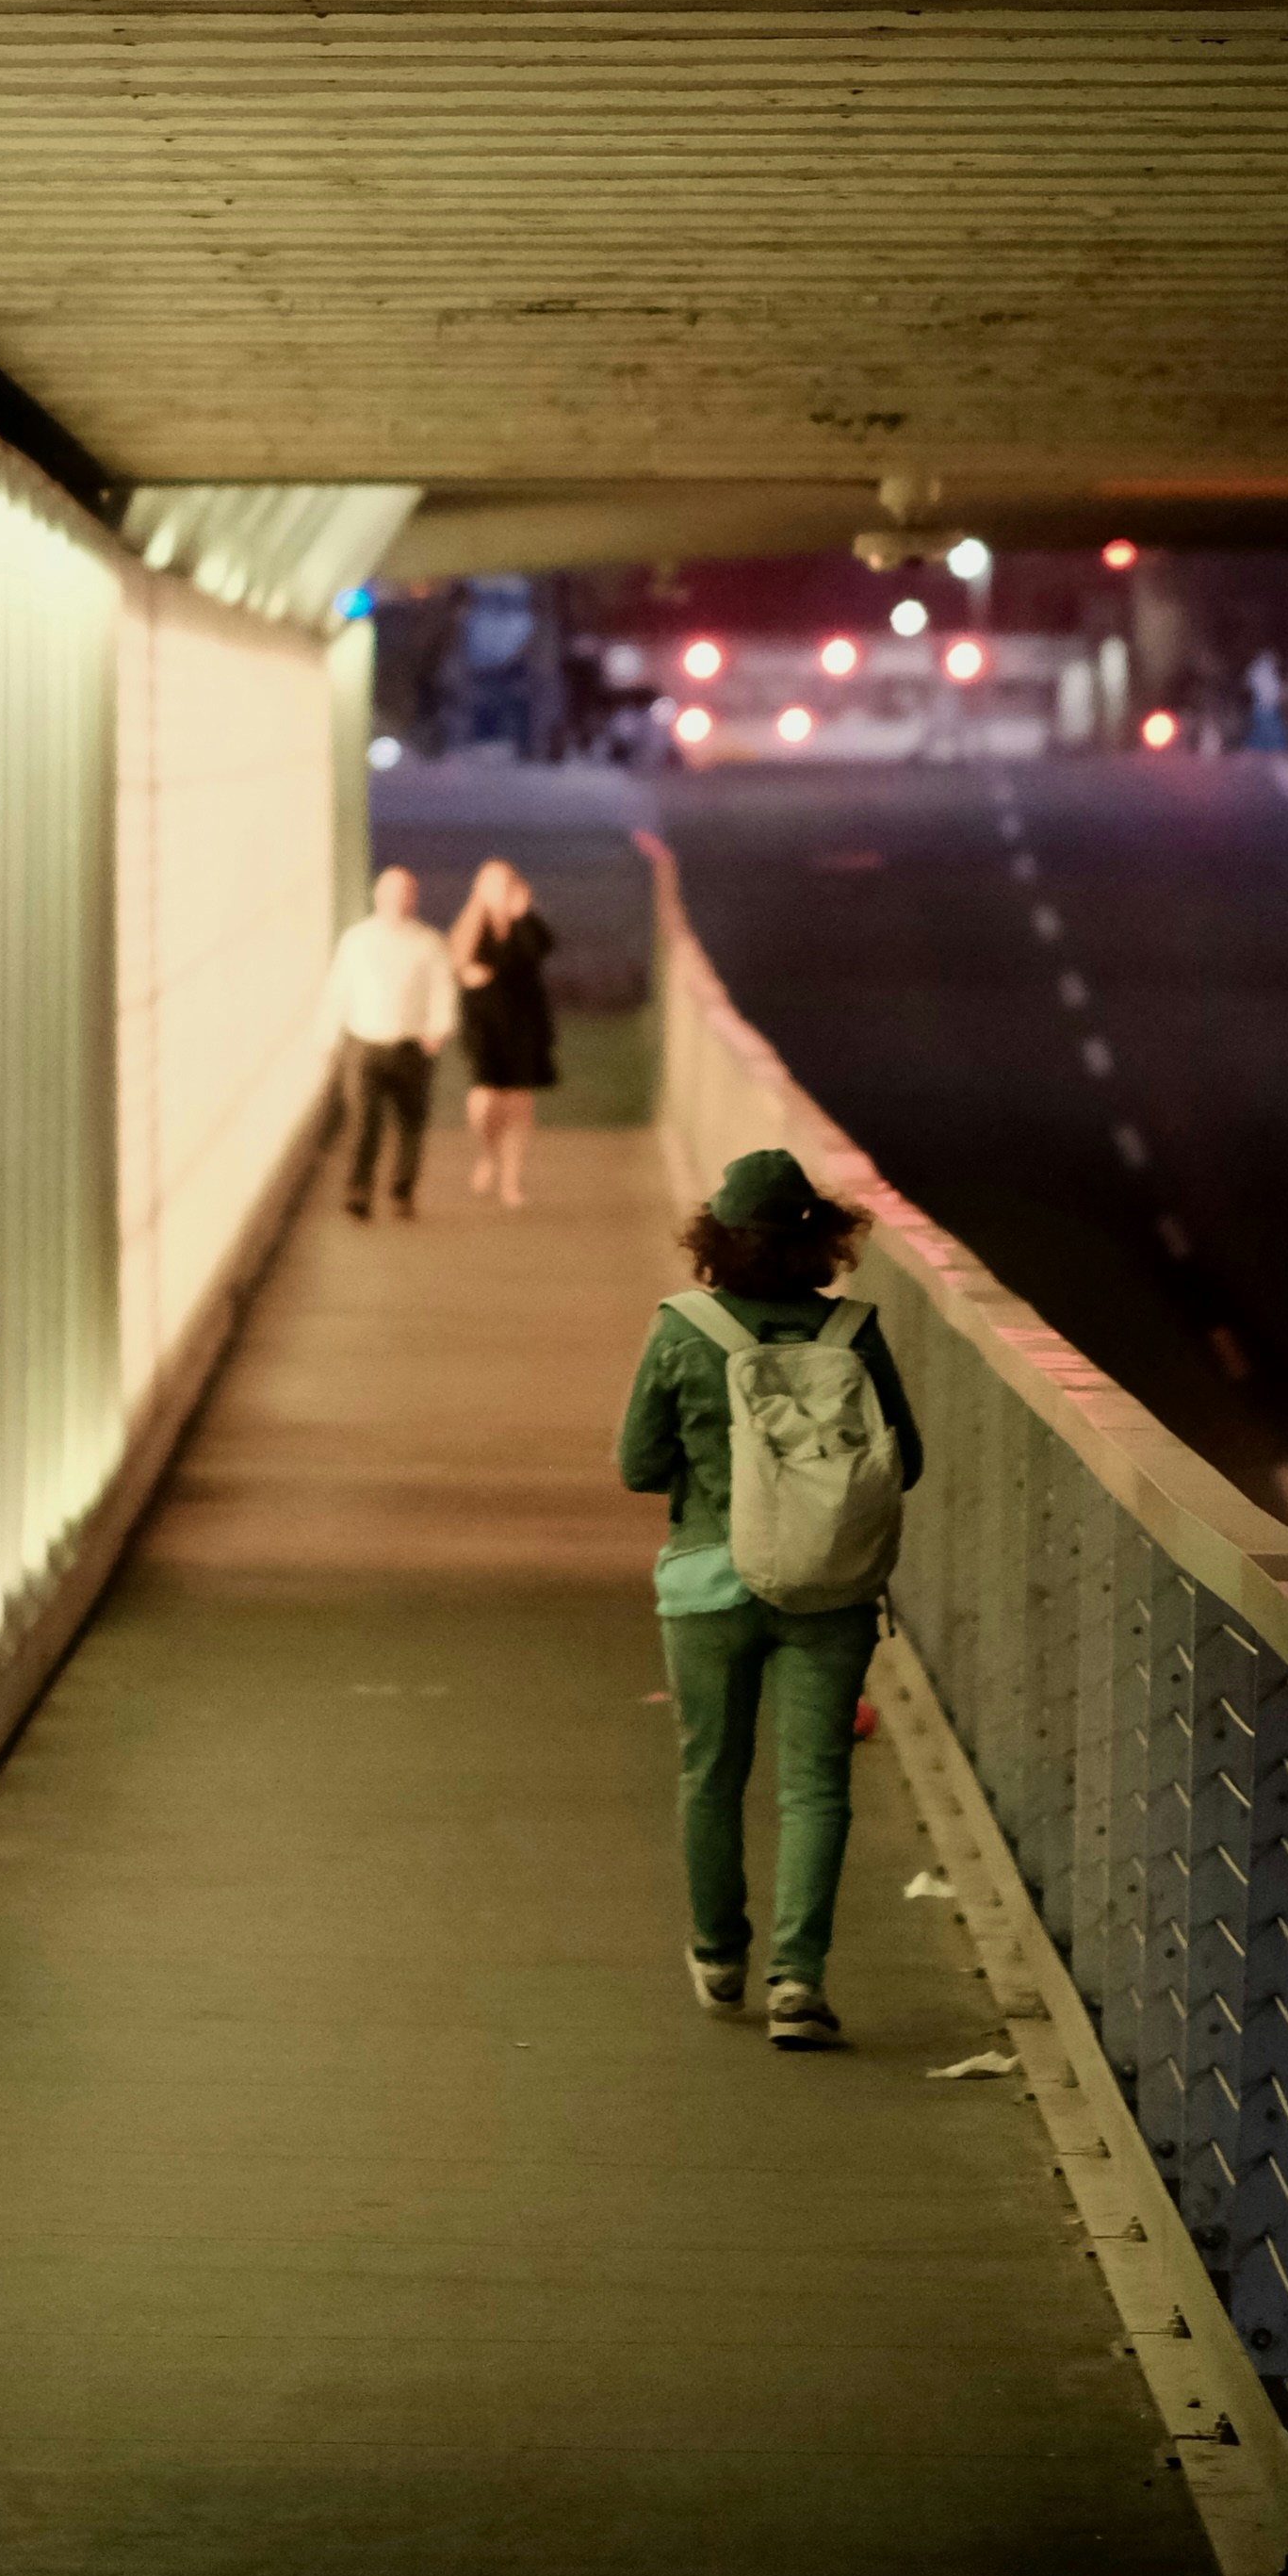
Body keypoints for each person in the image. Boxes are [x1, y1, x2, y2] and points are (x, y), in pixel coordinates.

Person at [615, 1148, 923, 2051]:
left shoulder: (683, 1328)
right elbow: (908, 1460)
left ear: (714, 1237)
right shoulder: (853, 1333)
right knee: (815, 1788)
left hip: (709, 1582)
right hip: (828, 1589)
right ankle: (799, 1982)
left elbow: (637, 1464)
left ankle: (719, 1955)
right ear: (821, 1239)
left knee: (712, 1774)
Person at [318, 865, 456, 1221]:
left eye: (406, 894)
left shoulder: (428, 942)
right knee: (364, 1122)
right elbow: (338, 991)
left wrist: (438, 1028)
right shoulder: (357, 940)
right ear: (378, 896)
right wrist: (328, 1038)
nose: (399, 901)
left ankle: (402, 1188)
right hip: (364, 1043)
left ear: (414, 899)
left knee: (411, 1121)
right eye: (392, 893)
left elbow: (443, 988)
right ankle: (358, 1189)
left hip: (411, 1045)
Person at [448, 859, 557, 1207]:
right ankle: (488, 1154)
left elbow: (538, 951)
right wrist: (467, 974)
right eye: (490, 883)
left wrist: (522, 914)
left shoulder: (527, 925)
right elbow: (457, 962)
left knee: (519, 1103)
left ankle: (511, 1180)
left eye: (503, 883)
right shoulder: (471, 925)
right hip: (484, 1025)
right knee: (484, 1100)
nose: (497, 891)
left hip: (524, 1023)